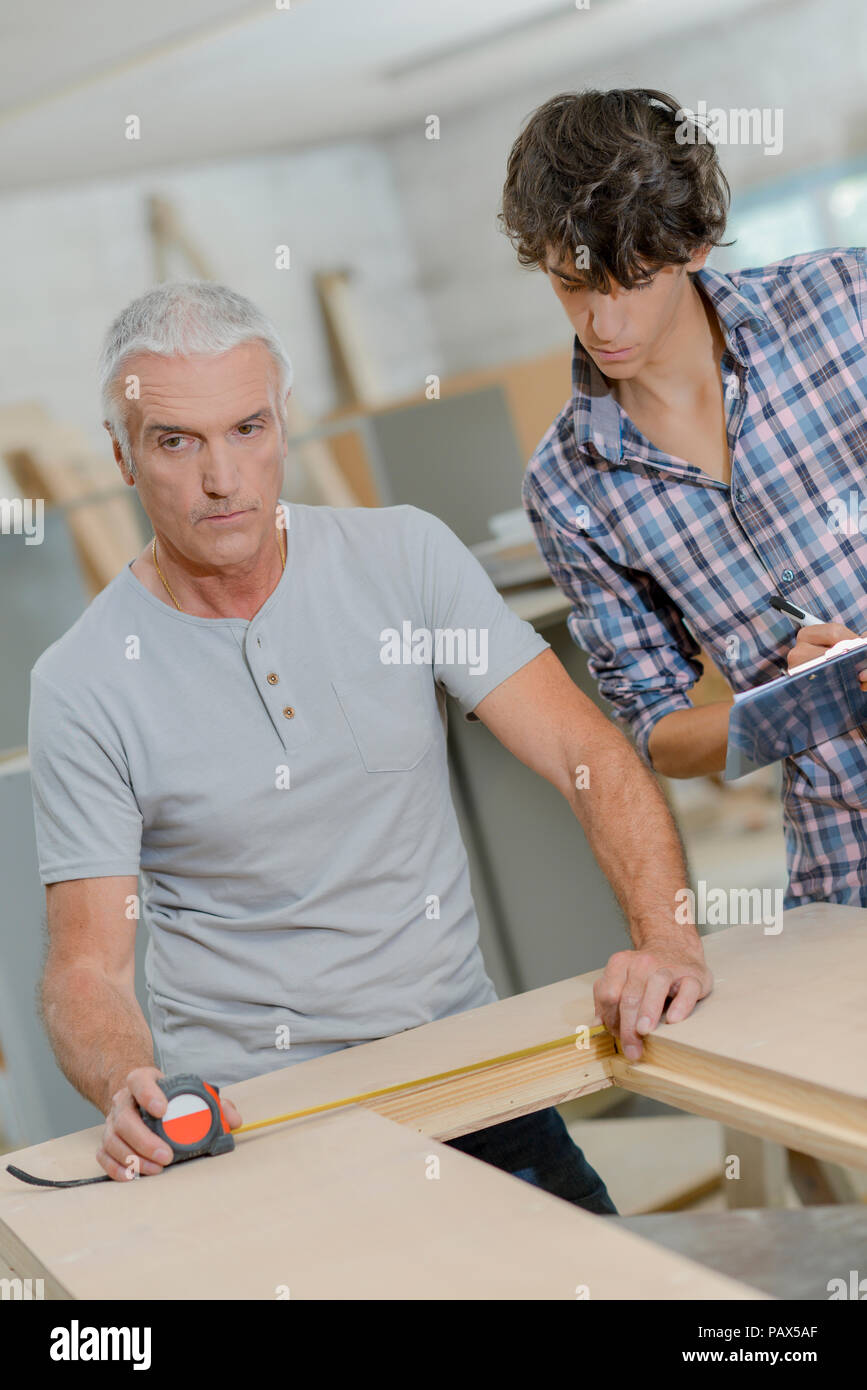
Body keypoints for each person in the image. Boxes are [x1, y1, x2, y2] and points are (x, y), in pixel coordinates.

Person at [29, 281, 709, 1211]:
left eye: (248, 429)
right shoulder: (82, 682)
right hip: (255, 1120)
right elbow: (86, 966)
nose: (222, 479)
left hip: (465, 1066)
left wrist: (665, 938)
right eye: (175, 442)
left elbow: (583, 753)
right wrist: (126, 1082)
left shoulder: (405, 558)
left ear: (284, 424)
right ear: (121, 455)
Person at [502, 87, 867, 909]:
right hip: (846, 865)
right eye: (570, 284)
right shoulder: (568, 486)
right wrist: (798, 703)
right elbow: (658, 734)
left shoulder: (846, 305)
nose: (600, 322)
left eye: (629, 280)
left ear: (693, 244)